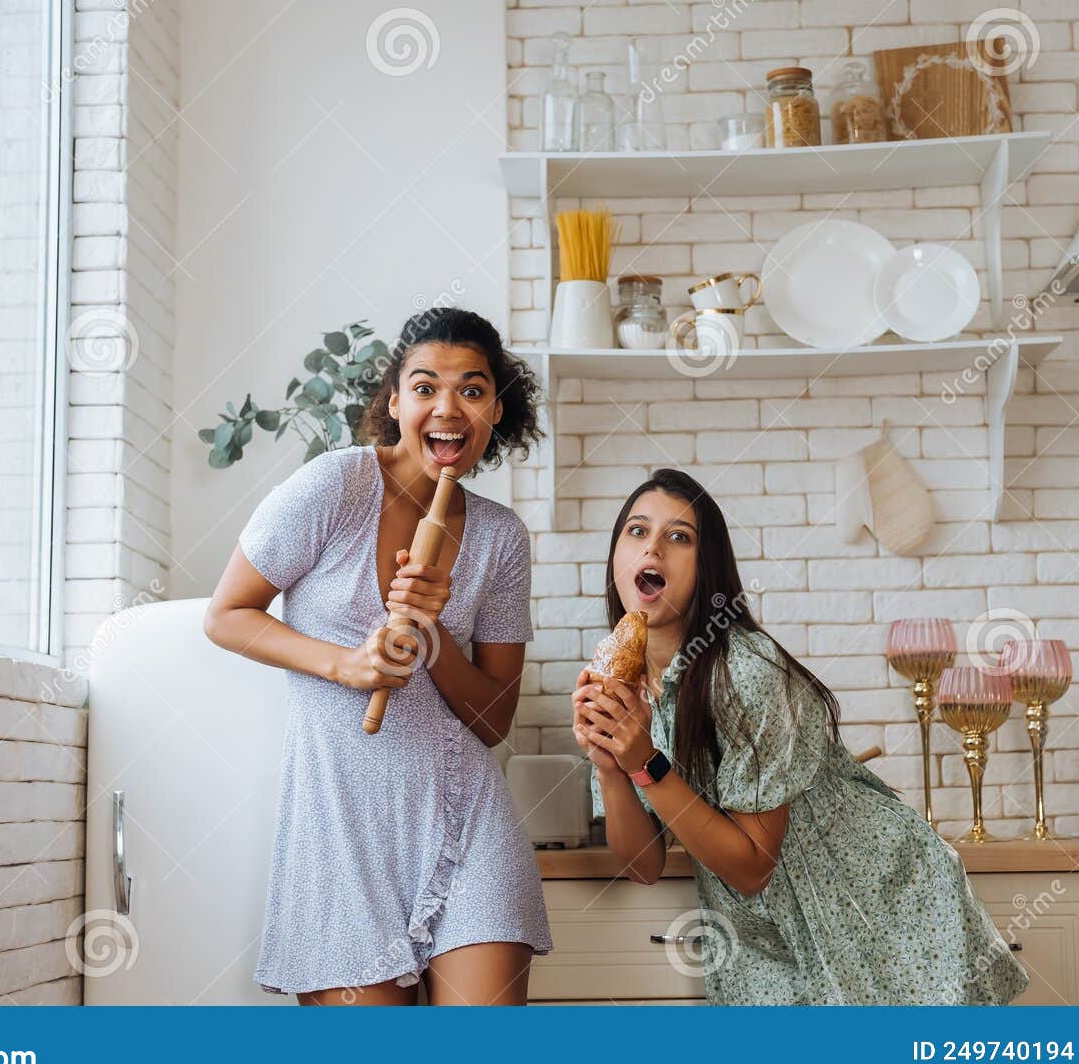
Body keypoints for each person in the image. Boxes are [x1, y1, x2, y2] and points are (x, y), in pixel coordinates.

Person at [572, 468, 1028, 1005]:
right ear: (616, 558)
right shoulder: (619, 687)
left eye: (679, 537)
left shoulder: (747, 672)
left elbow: (751, 867)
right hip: (766, 939)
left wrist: (646, 761)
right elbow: (642, 865)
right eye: (637, 531)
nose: (654, 548)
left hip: (878, 907)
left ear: (707, 566)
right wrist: (611, 766)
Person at [206, 307, 552, 1005]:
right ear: (393, 402)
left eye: (472, 390)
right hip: (339, 831)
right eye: (424, 387)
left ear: (496, 411)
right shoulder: (333, 488)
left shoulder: (501, 537)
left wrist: (433, 639)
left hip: (466, 822)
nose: (446, 408)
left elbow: (493, 719)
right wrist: (349, 664)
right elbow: (226, 616)